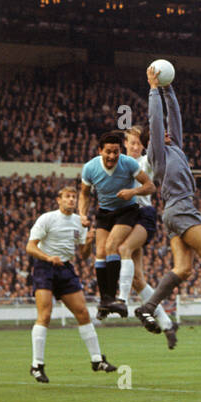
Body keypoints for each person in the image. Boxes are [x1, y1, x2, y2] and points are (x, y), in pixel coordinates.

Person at [134, 65, 201, 330]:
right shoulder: (157, 154)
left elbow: (175, 116)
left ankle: (147, 308)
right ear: (153, 141)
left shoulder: (176, 148)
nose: (168, 131)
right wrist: (153, 90)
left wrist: (168, 89)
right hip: (181, 207)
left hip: (173, 212)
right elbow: (156, 121)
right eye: (163, 133)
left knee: (183, 268)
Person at [27, 184, 116, 379]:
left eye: (73, 197)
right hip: (44, 267)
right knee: (45, 315)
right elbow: (30, 247)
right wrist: (48, 257)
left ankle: (97, 360)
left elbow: (83, 255)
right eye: (67, 197)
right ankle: (37, 364)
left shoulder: (79, 222)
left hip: (65, 268)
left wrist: (89, 242)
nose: (71, 200)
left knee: (83, 313)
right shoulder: (47, 218)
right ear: (59, 200)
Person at [78, 132, 152, 318]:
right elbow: (84, 194)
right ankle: (105, 300)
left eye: (116, 152)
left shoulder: (129, 163)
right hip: (105, 212)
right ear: (100, 151)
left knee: (112, 246)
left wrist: (132, 192)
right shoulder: (90, 168)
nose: (112, 156)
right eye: (108, 152)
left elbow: (150, 186)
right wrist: (82, 214)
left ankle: (114, 299)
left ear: (121, 151)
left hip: (127, 210)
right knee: (100, 252)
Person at [120, 124, 176, 348]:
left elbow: (156, 156)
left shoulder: (144, 163)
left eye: (139, 144)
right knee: (138, 279)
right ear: (125, 144)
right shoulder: (117, 164)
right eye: (132, 143)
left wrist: (162, 142)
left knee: (123, 250)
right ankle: (167, 324)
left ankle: (121, 301)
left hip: (141, 216)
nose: (135, 147)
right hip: (124, 218)